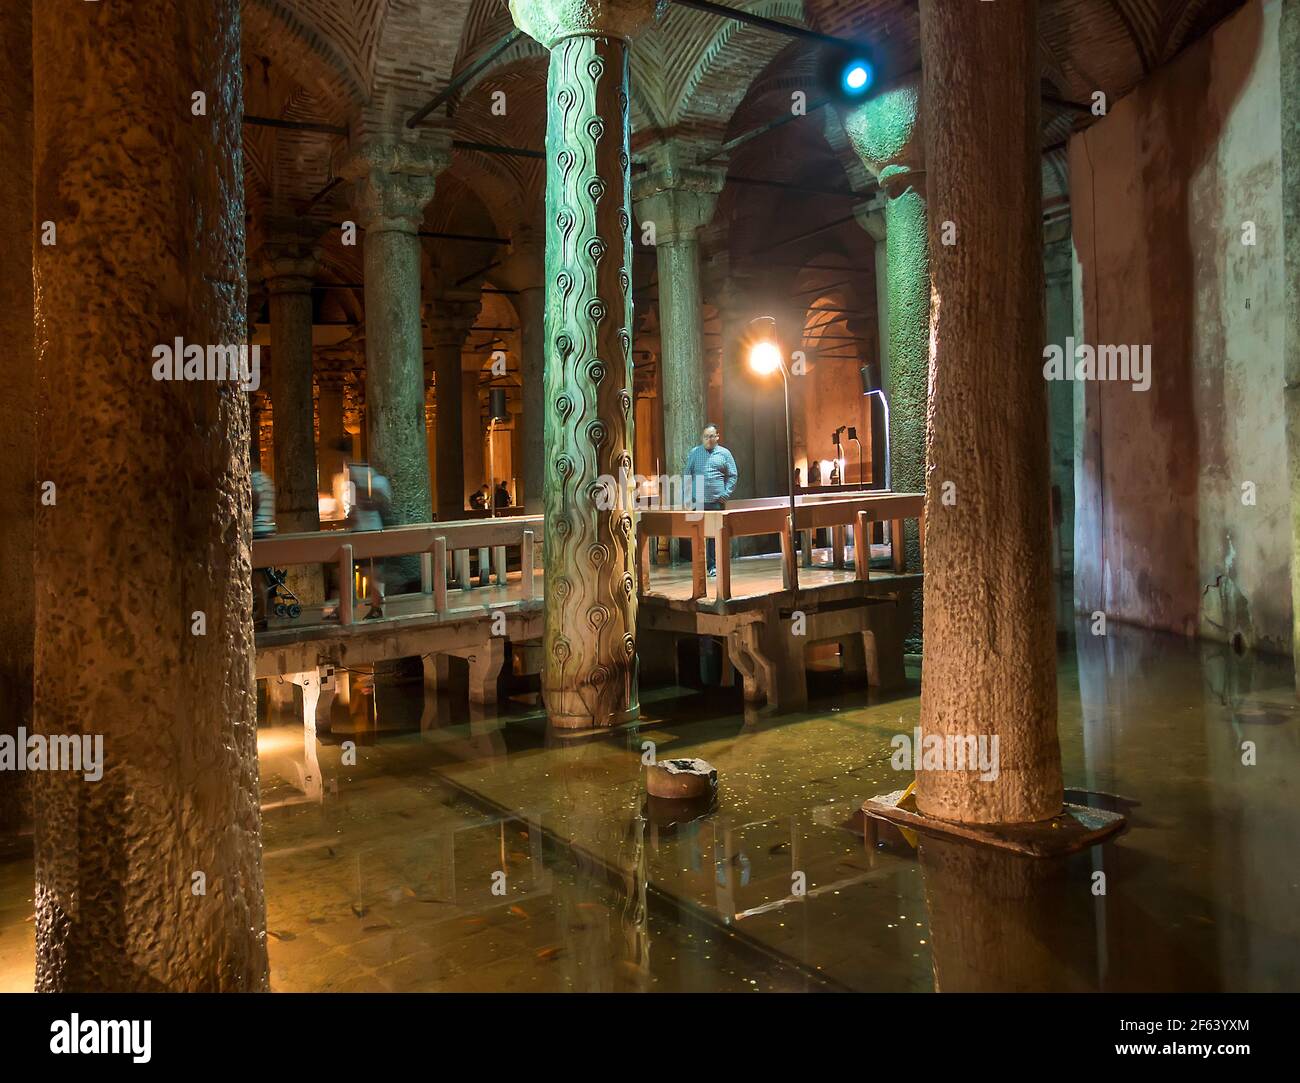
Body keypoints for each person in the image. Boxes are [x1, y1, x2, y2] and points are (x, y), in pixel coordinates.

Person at [335, 437, 392, 619]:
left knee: (363, 571)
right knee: (371, 571)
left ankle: (368, 605)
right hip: (375, 529)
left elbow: (354, 511)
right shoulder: (377, 480)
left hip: (364, 531)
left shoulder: (356, 479)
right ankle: (373, 604)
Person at [682, 423, 738, 576]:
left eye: (711, 436)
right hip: (698, 501)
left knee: (715, 536)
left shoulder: (724, 454)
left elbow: (733, 475)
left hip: (716, 502)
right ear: (702, 437)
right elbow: (687, 475)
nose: (708, 439)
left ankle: (713, 566)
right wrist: (686, 499)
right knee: (698, 535)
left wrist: (726, 493)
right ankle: (699, 567)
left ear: (717, 437)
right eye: (706, 437)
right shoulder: (695, 453)